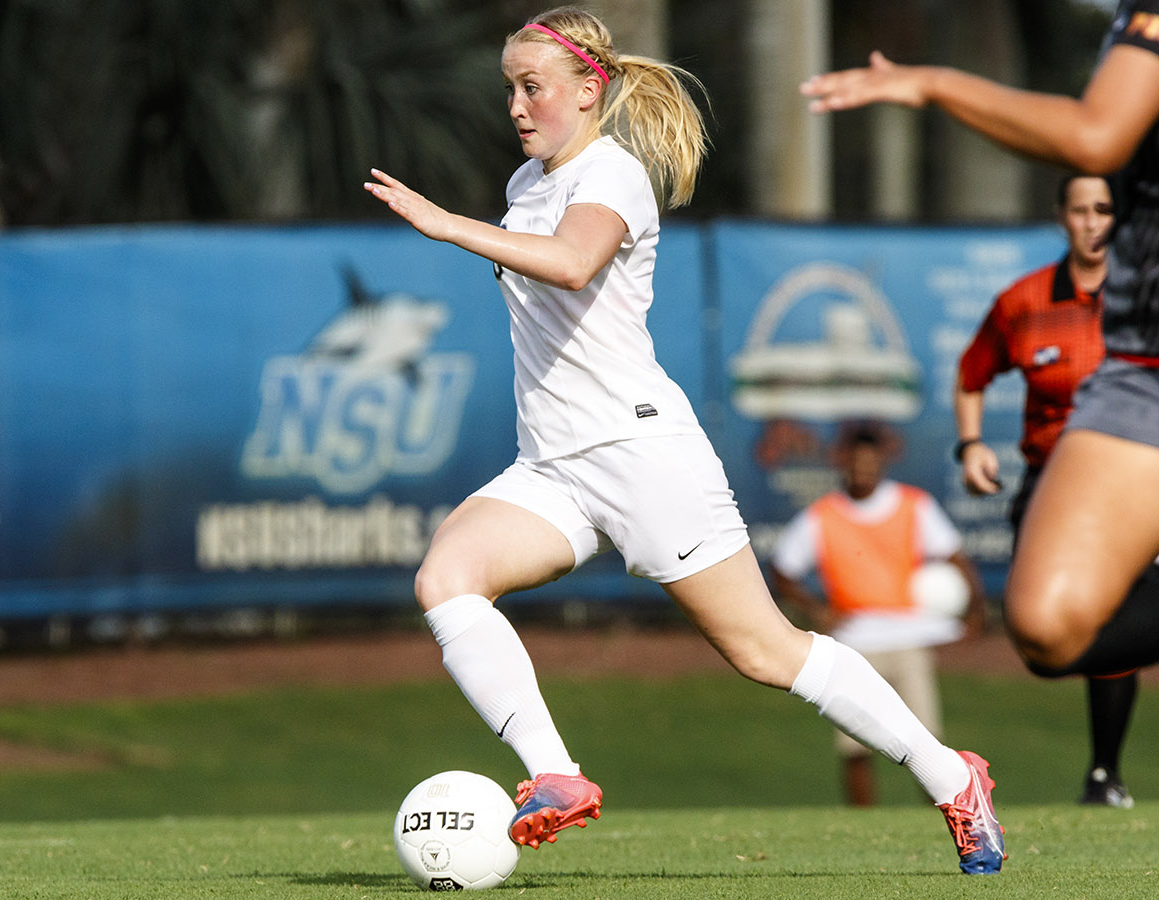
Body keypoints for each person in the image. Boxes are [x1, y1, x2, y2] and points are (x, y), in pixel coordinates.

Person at [364, 6, 1004, 874]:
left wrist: (445, 223)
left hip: (641, 456)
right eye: (510, 89)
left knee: (765, 651)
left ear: (589, 91)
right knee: (446, 577)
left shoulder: (613, 173)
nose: (516, 106)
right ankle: (556, 774)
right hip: (553, 466)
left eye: (533, 87)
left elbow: (572, 262)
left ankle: (951, 776)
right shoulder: (526, 186)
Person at [803, 1, 1159, 786]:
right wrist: (973, 441)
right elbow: (973, 372)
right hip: (1148, 360)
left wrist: (935, 83)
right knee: (1050, 625)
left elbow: (1095, 137)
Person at [955, 174, 1159, 807]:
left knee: (1118, 615)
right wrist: (971, 444)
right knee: (1044, 637)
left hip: (1138, 482)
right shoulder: (1025, 300)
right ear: (1061, 217)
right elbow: (972, 372)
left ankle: (1104, 774)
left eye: (1104, 209)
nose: (1093, 222)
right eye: (1080, 210)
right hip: (1052, 485)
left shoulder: (1154, 297)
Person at [771, 421, 987, 807]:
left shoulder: (912, 504)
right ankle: (862, 823)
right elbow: (783, 569)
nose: (863, 470)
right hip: (855, 643)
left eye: (870, 462)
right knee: (855, 743)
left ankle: (945, 816)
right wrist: (817, 611)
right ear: (842, 463)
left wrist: (975, 611)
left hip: (907, 638)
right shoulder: (824, 515)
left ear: (882, 463)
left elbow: (956, 557)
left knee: (926, 740)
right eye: (855, 462)